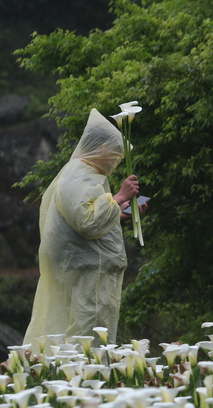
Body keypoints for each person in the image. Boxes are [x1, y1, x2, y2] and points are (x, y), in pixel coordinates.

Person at [23, 108, 139, 345]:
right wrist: (118, 197)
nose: (116, 162)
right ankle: (84, 380)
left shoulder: (83, 175)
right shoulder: (78, 176)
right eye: (116, 154)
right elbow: (86, 221)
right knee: (87, 337)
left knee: (90, 334)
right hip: (86, 276)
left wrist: (119, 212)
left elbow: (91, 215)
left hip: (89, 275)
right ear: (104, 148)